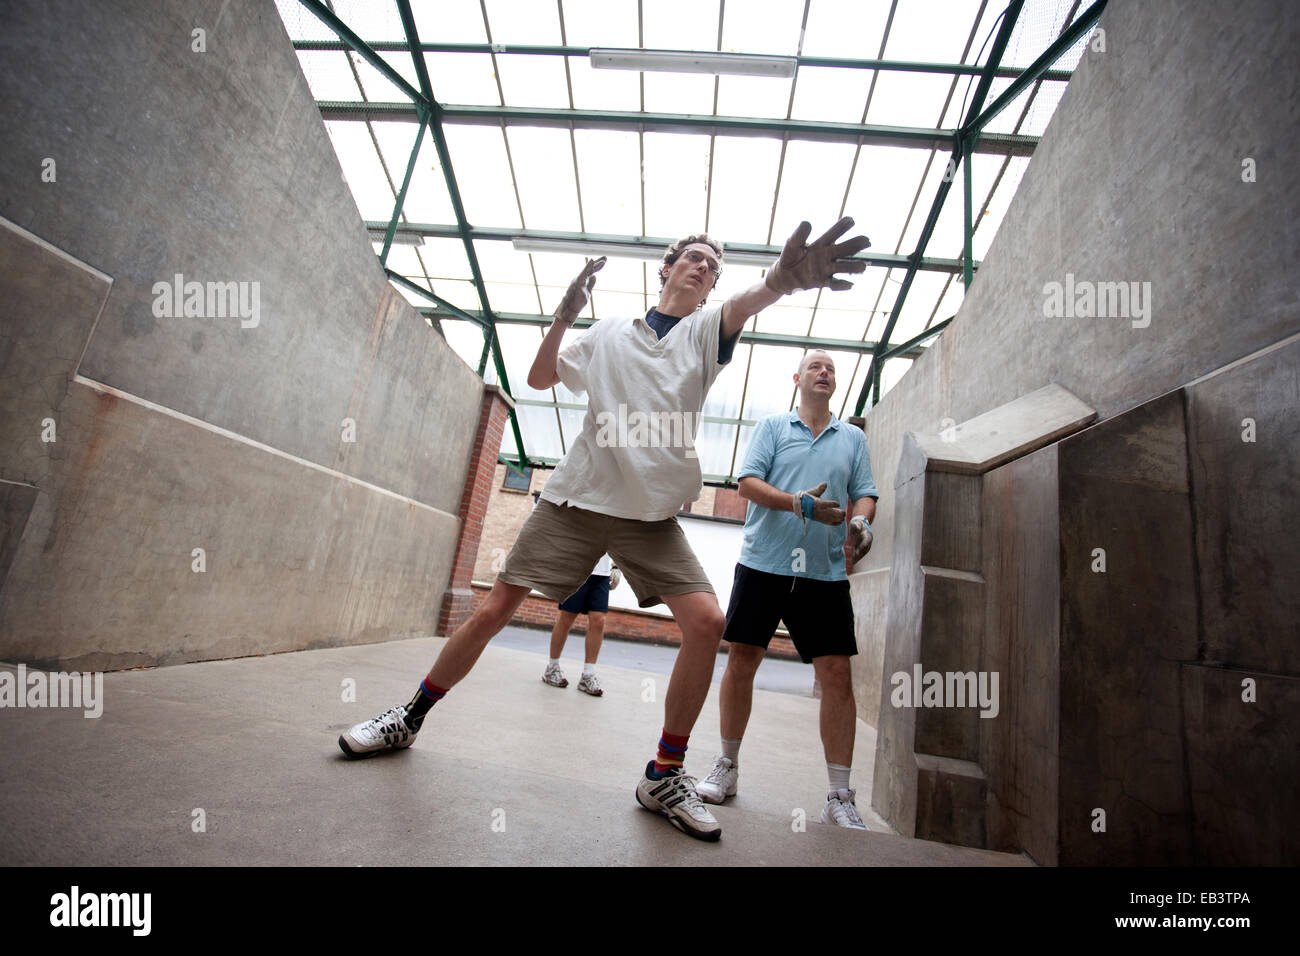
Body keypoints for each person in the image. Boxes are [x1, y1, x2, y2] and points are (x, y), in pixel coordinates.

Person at [338, 220, 871, 842]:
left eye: (713, 268)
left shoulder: (706, 332)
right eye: (693, 258)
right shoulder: (610, 330)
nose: (703, 268)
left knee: (705, 622)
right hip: (579, 496)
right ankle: (409, 716)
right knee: (496, 608)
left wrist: (784, 278)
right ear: (666, 269)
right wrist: (563, 316)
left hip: (649, 513)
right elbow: (539, 379)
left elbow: (750, 299)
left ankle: (663, 774)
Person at [695, 349, 879, 830]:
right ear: (798, 378)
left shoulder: (853, 438)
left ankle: (839, 795)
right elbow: (748, 485)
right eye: (816, 366)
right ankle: (727, 767)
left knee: (837, 673)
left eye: (832, 369)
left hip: (824, 574)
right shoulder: (773, 427)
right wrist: (800, 505)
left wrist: (861, 521)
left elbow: (865, 491)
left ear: (836, 384)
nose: (824, 372)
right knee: (742, 660)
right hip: (764, 564)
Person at [542, 554, 621, 696]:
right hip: (576, 568)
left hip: (601, 574)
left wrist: (616, 566)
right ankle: (552, 668)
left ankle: (588, 675)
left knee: (599, 620)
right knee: (567, 618)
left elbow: (617, 537)